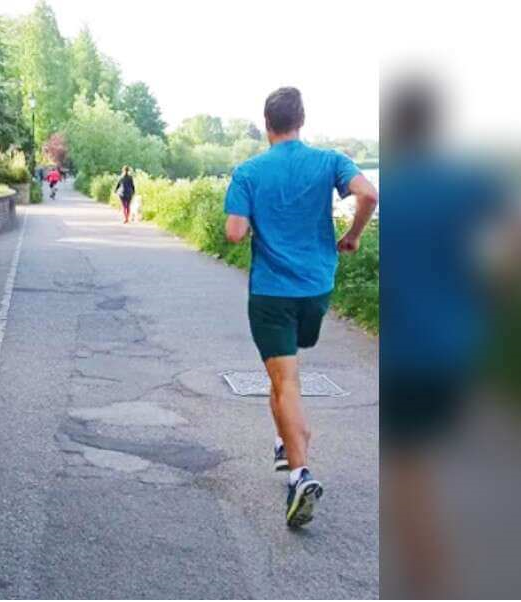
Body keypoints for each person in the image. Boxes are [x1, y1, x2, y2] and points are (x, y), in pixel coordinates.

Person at [223, 86, 378, 528]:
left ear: (266, 124)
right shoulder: (330, 161)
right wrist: (353, 236)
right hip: (316, 288)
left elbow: (234, 233)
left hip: (272, 292)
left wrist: (250, 222)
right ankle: (283, 442)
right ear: (301, 120)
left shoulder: (249, 172)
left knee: (284, 381)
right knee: (283, 376)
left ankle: (300, 474)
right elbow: (369, 195)